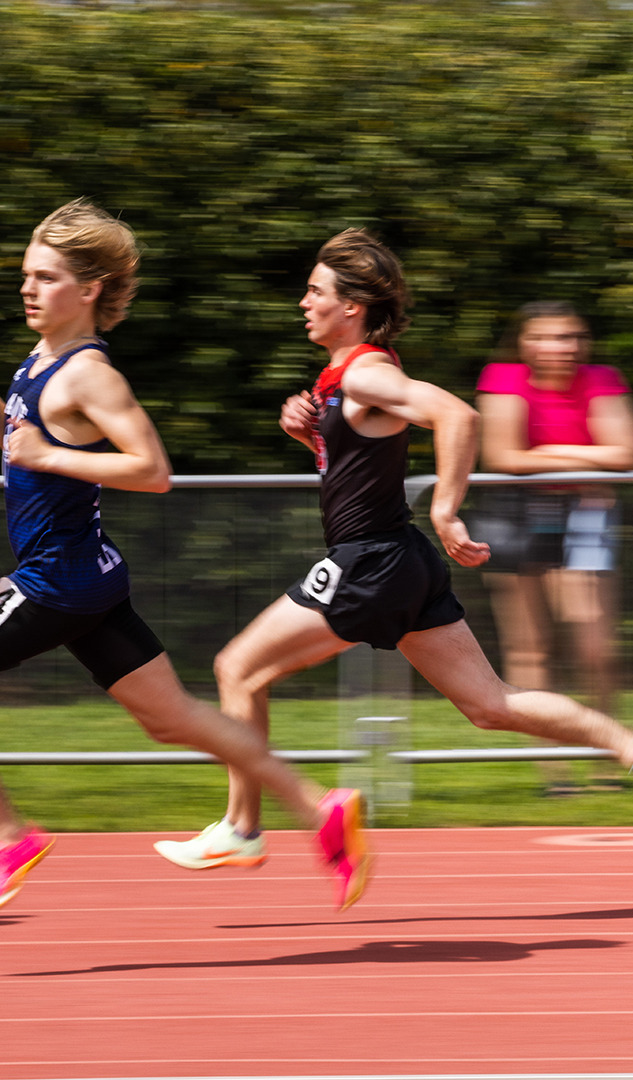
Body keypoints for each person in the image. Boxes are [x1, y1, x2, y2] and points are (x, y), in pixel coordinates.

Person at [152, 229, 633, 870]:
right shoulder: (347, 380)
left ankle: (243, 826)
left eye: (314, 291)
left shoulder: (366, 373)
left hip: (372, 560)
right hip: (398, 560)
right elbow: (360, 473)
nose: (303, 302)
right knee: (490, 705)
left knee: (236, 670)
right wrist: (309, 437)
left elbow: (459, 417)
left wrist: (444, 509)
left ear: (351, 306)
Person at [0, 200, 368, 911]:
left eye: (46, 278)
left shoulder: (86, 373)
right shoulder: (38, 360)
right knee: (171, 718)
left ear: (90, 290)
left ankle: (10, 838)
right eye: (26, 275)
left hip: (59, 580)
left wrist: (48, 453)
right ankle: (318, 806)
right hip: (87, 581)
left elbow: (152, 468)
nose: (28, 289)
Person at [474, 302, 633, 794]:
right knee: (530, 647)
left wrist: (545, 455)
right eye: (550, 337)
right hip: (516, 515)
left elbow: (630, 453)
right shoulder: (503, 377)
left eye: (573, 337)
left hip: (585, 512)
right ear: (526, 344)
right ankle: (555, 774)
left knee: (596, 647)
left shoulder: (601, 379)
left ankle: (611, 759)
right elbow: (501, 456)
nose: (564, 347)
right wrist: (587, 458)